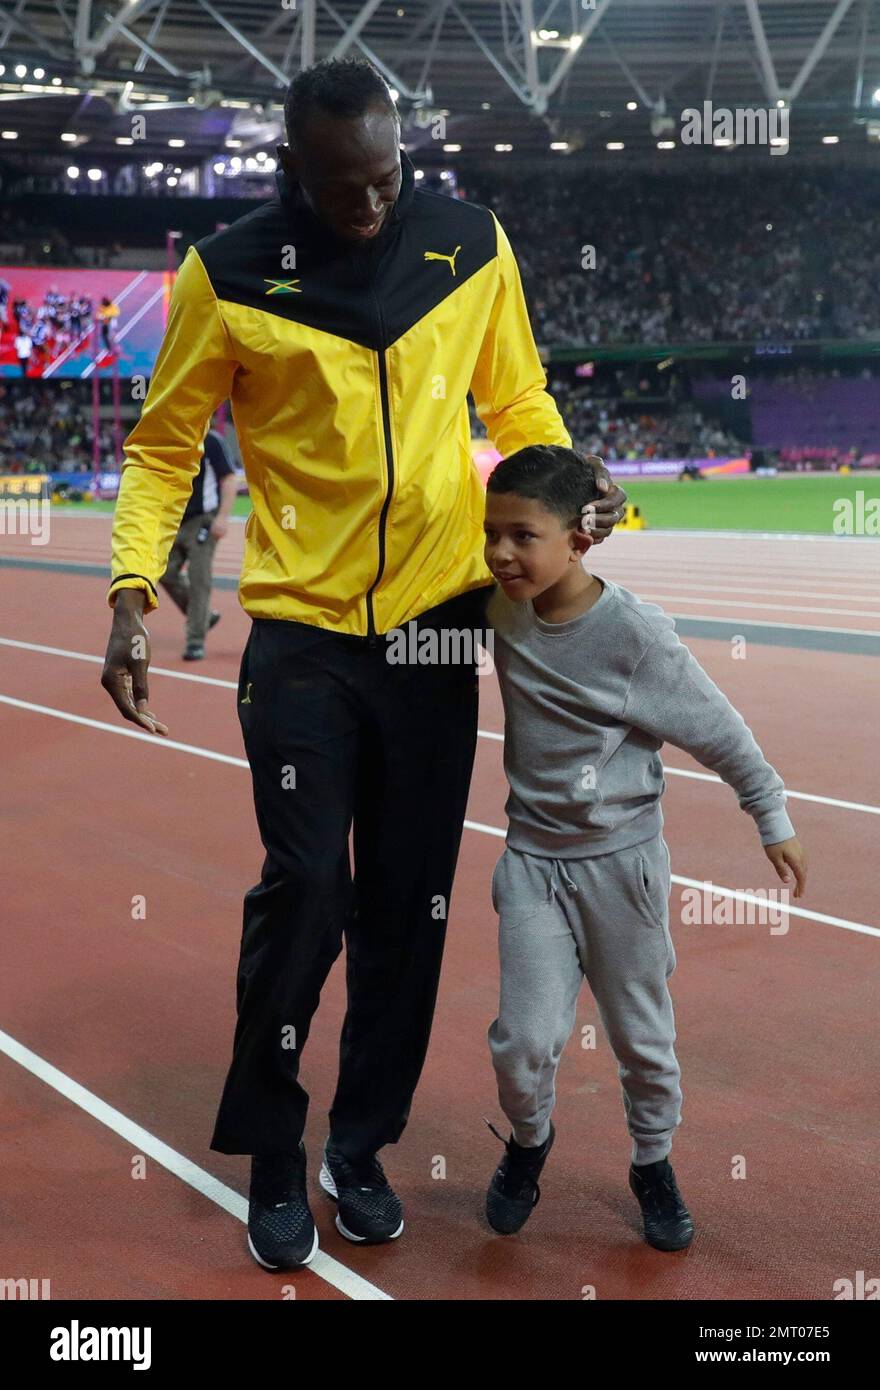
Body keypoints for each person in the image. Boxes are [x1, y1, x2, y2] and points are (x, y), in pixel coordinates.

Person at [100, 57, 627, 1274]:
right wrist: (133, 591)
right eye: (345, 190)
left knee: (408, 907)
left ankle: (362, 1143)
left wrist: (577, 510)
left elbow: (521, 400)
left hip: (440, 630)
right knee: (307, 900)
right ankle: (276, 1156)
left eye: (388, 181)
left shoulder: (469, 242)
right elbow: (164, 444)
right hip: (301, 633)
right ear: (294, 170)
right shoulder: (226, 272)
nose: (372, 208)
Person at [481, 444, 807, 1252]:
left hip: (621, 868)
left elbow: (718, 728)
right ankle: (529, 1145)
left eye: (523, 536)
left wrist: (771, 814)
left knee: (642, 1039)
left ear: (579, 541)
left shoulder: (634, 636)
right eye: (492, 534)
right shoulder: (499, 606)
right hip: (531, 862)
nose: (500, 553)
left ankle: (652, 1162)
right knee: (523, 1042)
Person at [158, 423, 237, 659]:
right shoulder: (174, 443)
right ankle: (203, 617)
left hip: (203, 521)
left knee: (198, 577)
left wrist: (222, 517)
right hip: (176, 521)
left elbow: (229, 478)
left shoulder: (212, 442)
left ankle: (195, 641)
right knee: (164, 571)